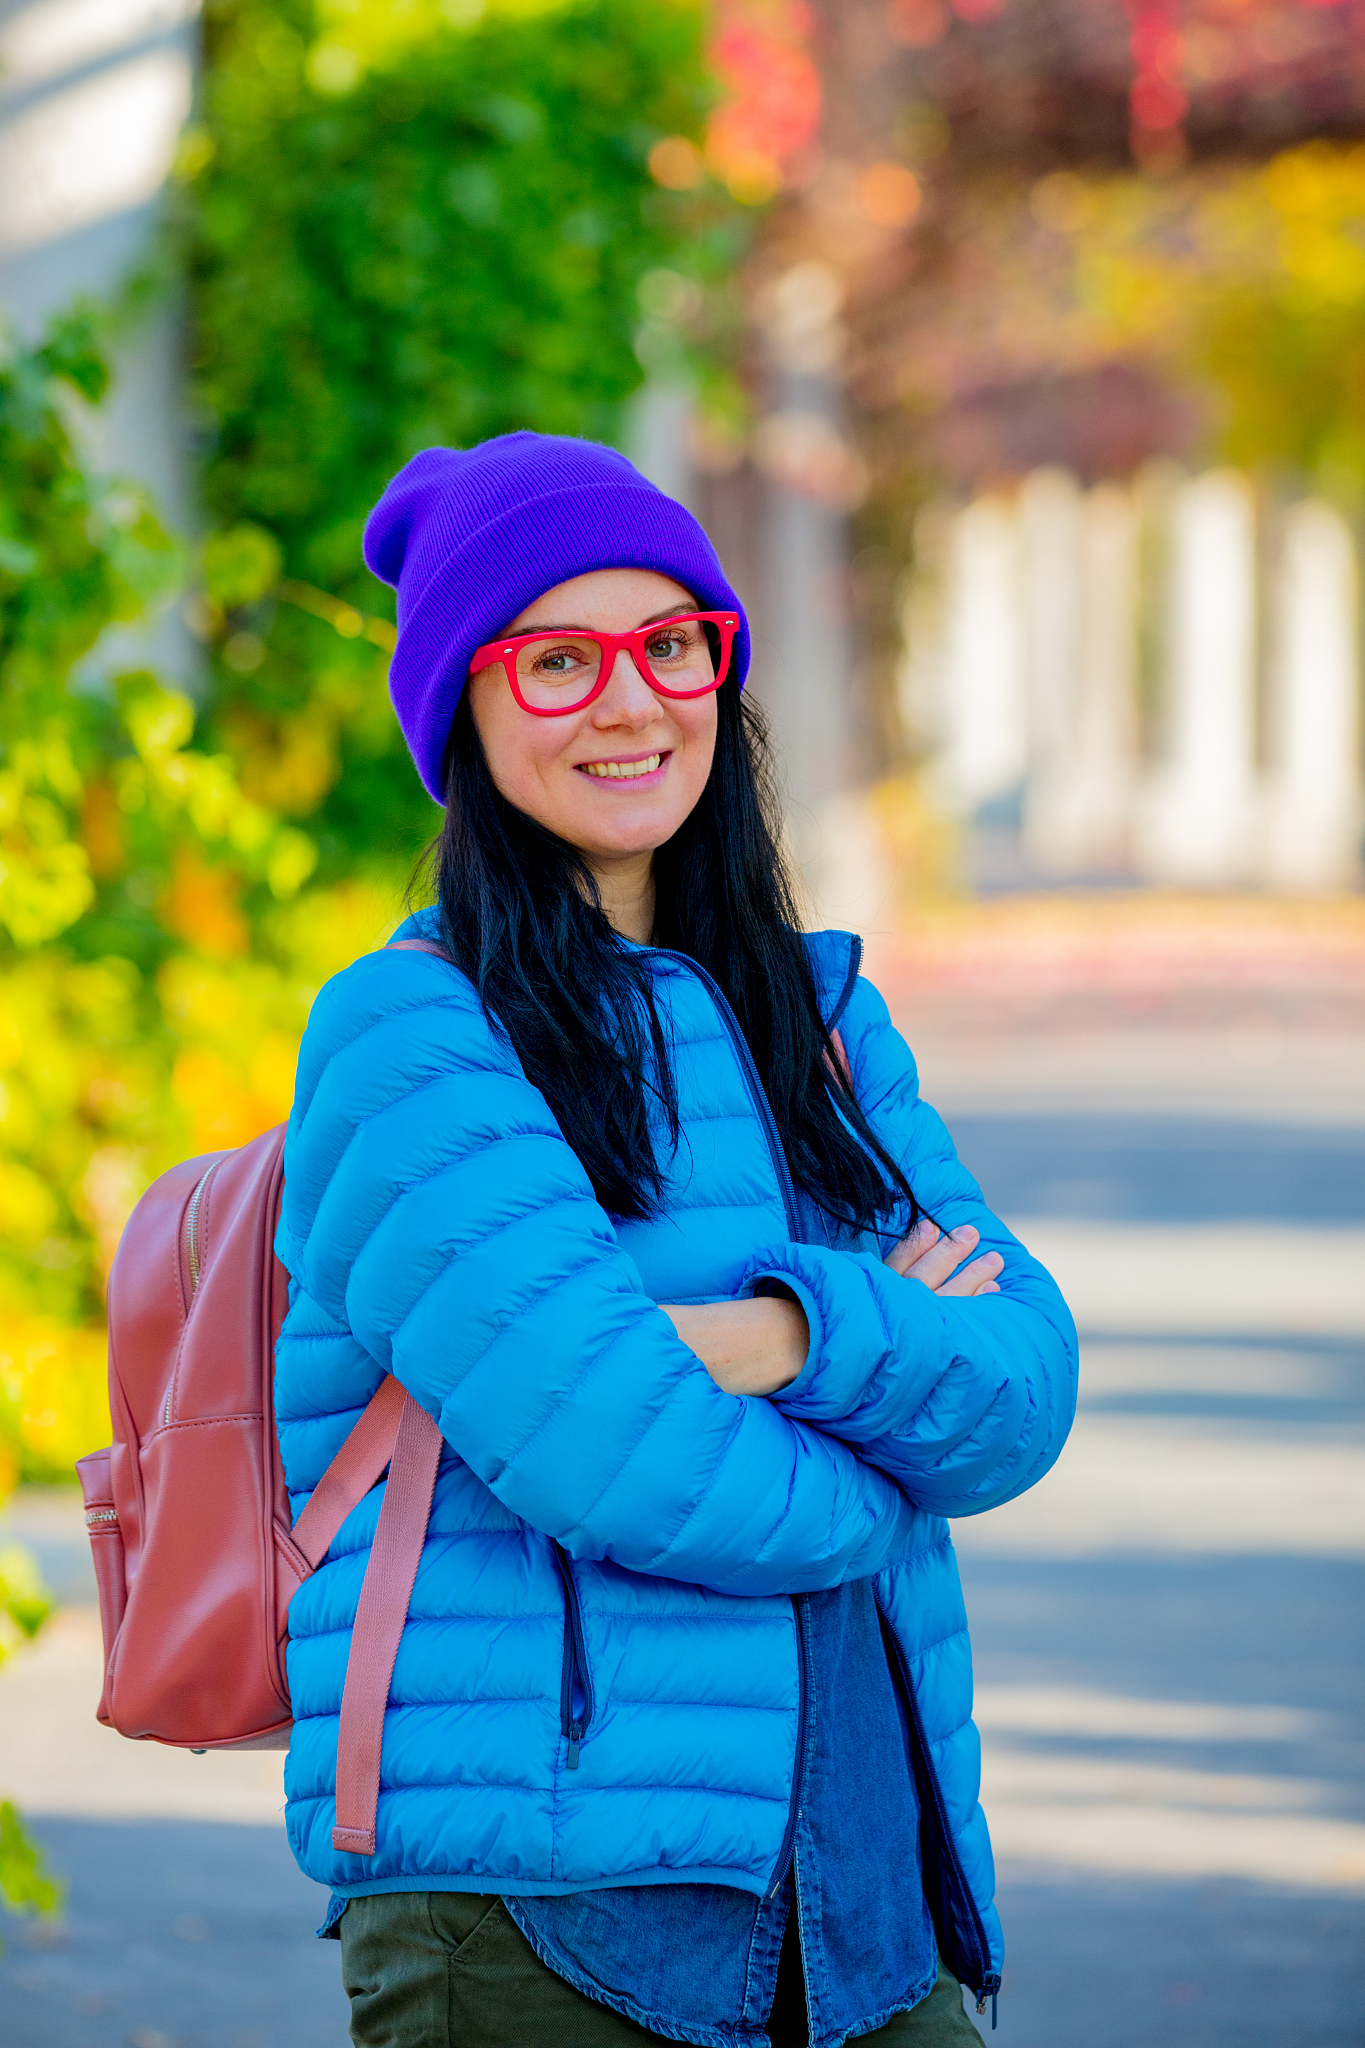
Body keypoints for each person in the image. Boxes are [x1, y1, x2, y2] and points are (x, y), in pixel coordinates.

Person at [274, 433, 1078, 2048]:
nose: (630, 702)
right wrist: (887, 1437)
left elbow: (1019, 1388)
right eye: (555, 661)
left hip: (863, 1870)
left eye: (668, 643)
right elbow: (616, 1452)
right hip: (540, 1894)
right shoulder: (413, 1039)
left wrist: (779, 1337)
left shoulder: (822, 1018)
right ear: (463, 710)